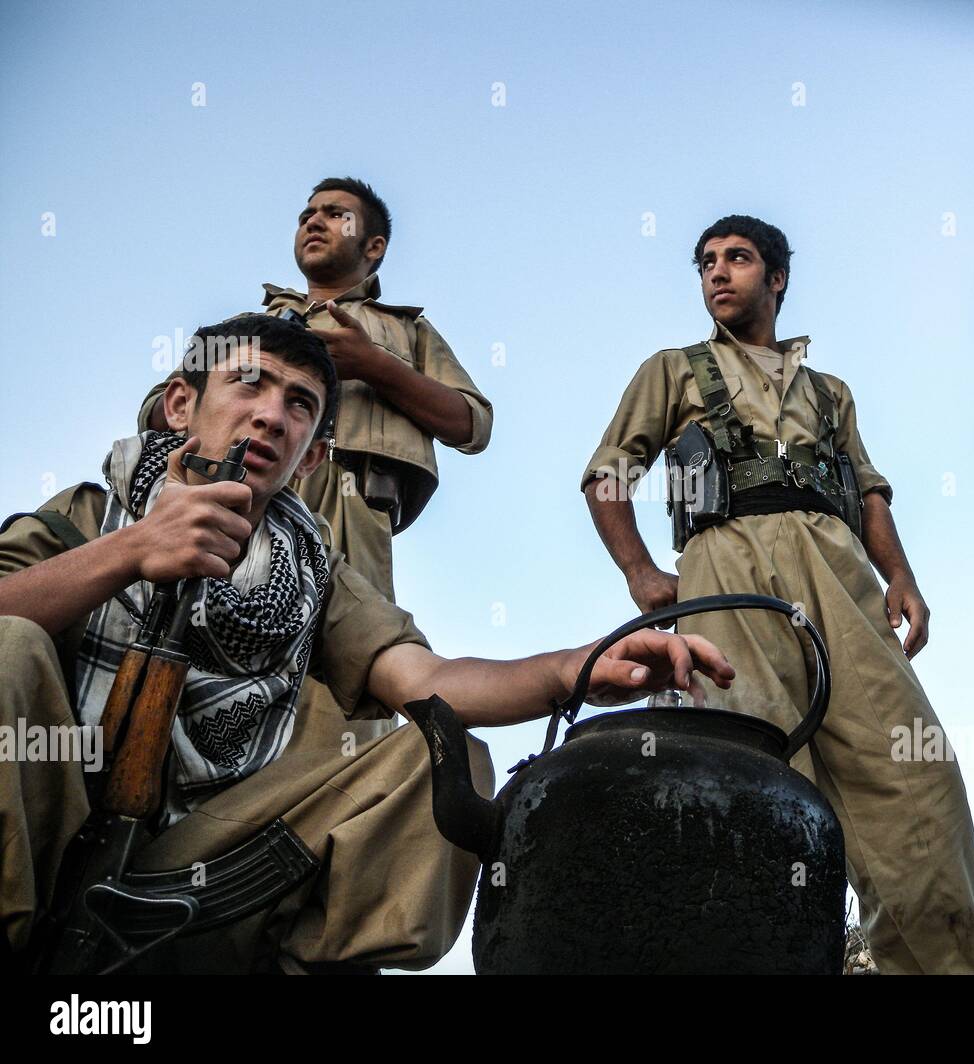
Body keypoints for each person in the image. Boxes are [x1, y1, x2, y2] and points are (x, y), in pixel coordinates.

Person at [0, 314, 732, 973]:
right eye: (248, 384)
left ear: (312, 460)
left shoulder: (316, 572)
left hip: (203, 859)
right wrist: (132, 550)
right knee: (11, 648)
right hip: (45, 830)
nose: (270, 417)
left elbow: (425, 676)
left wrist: (576, 667)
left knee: (442, 752)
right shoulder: (87, 516)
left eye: (299, 405)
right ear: (180, 403)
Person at [582, 215, 974, 974]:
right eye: (706, 262)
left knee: (913, 775)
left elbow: (868, 491)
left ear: (776, 278)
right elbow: (607, 473)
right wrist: (641, 572)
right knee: (746, 781)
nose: (718, 273)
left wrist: (901, 576)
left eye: (737, 259)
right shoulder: (671, 369)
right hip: (723, 570)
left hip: (837, 575)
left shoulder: (830, 391)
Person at [140, 177, 493, 747]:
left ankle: (324, 810)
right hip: (234, 496)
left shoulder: (407, 330)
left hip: (353, 506)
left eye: (335, 214)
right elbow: (157, 411)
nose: (313, 222)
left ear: (373, 246)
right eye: (307, 214)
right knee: (196, 637)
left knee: (351, 670)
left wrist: (376, 365)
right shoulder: (251, 328)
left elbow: (472, 425)